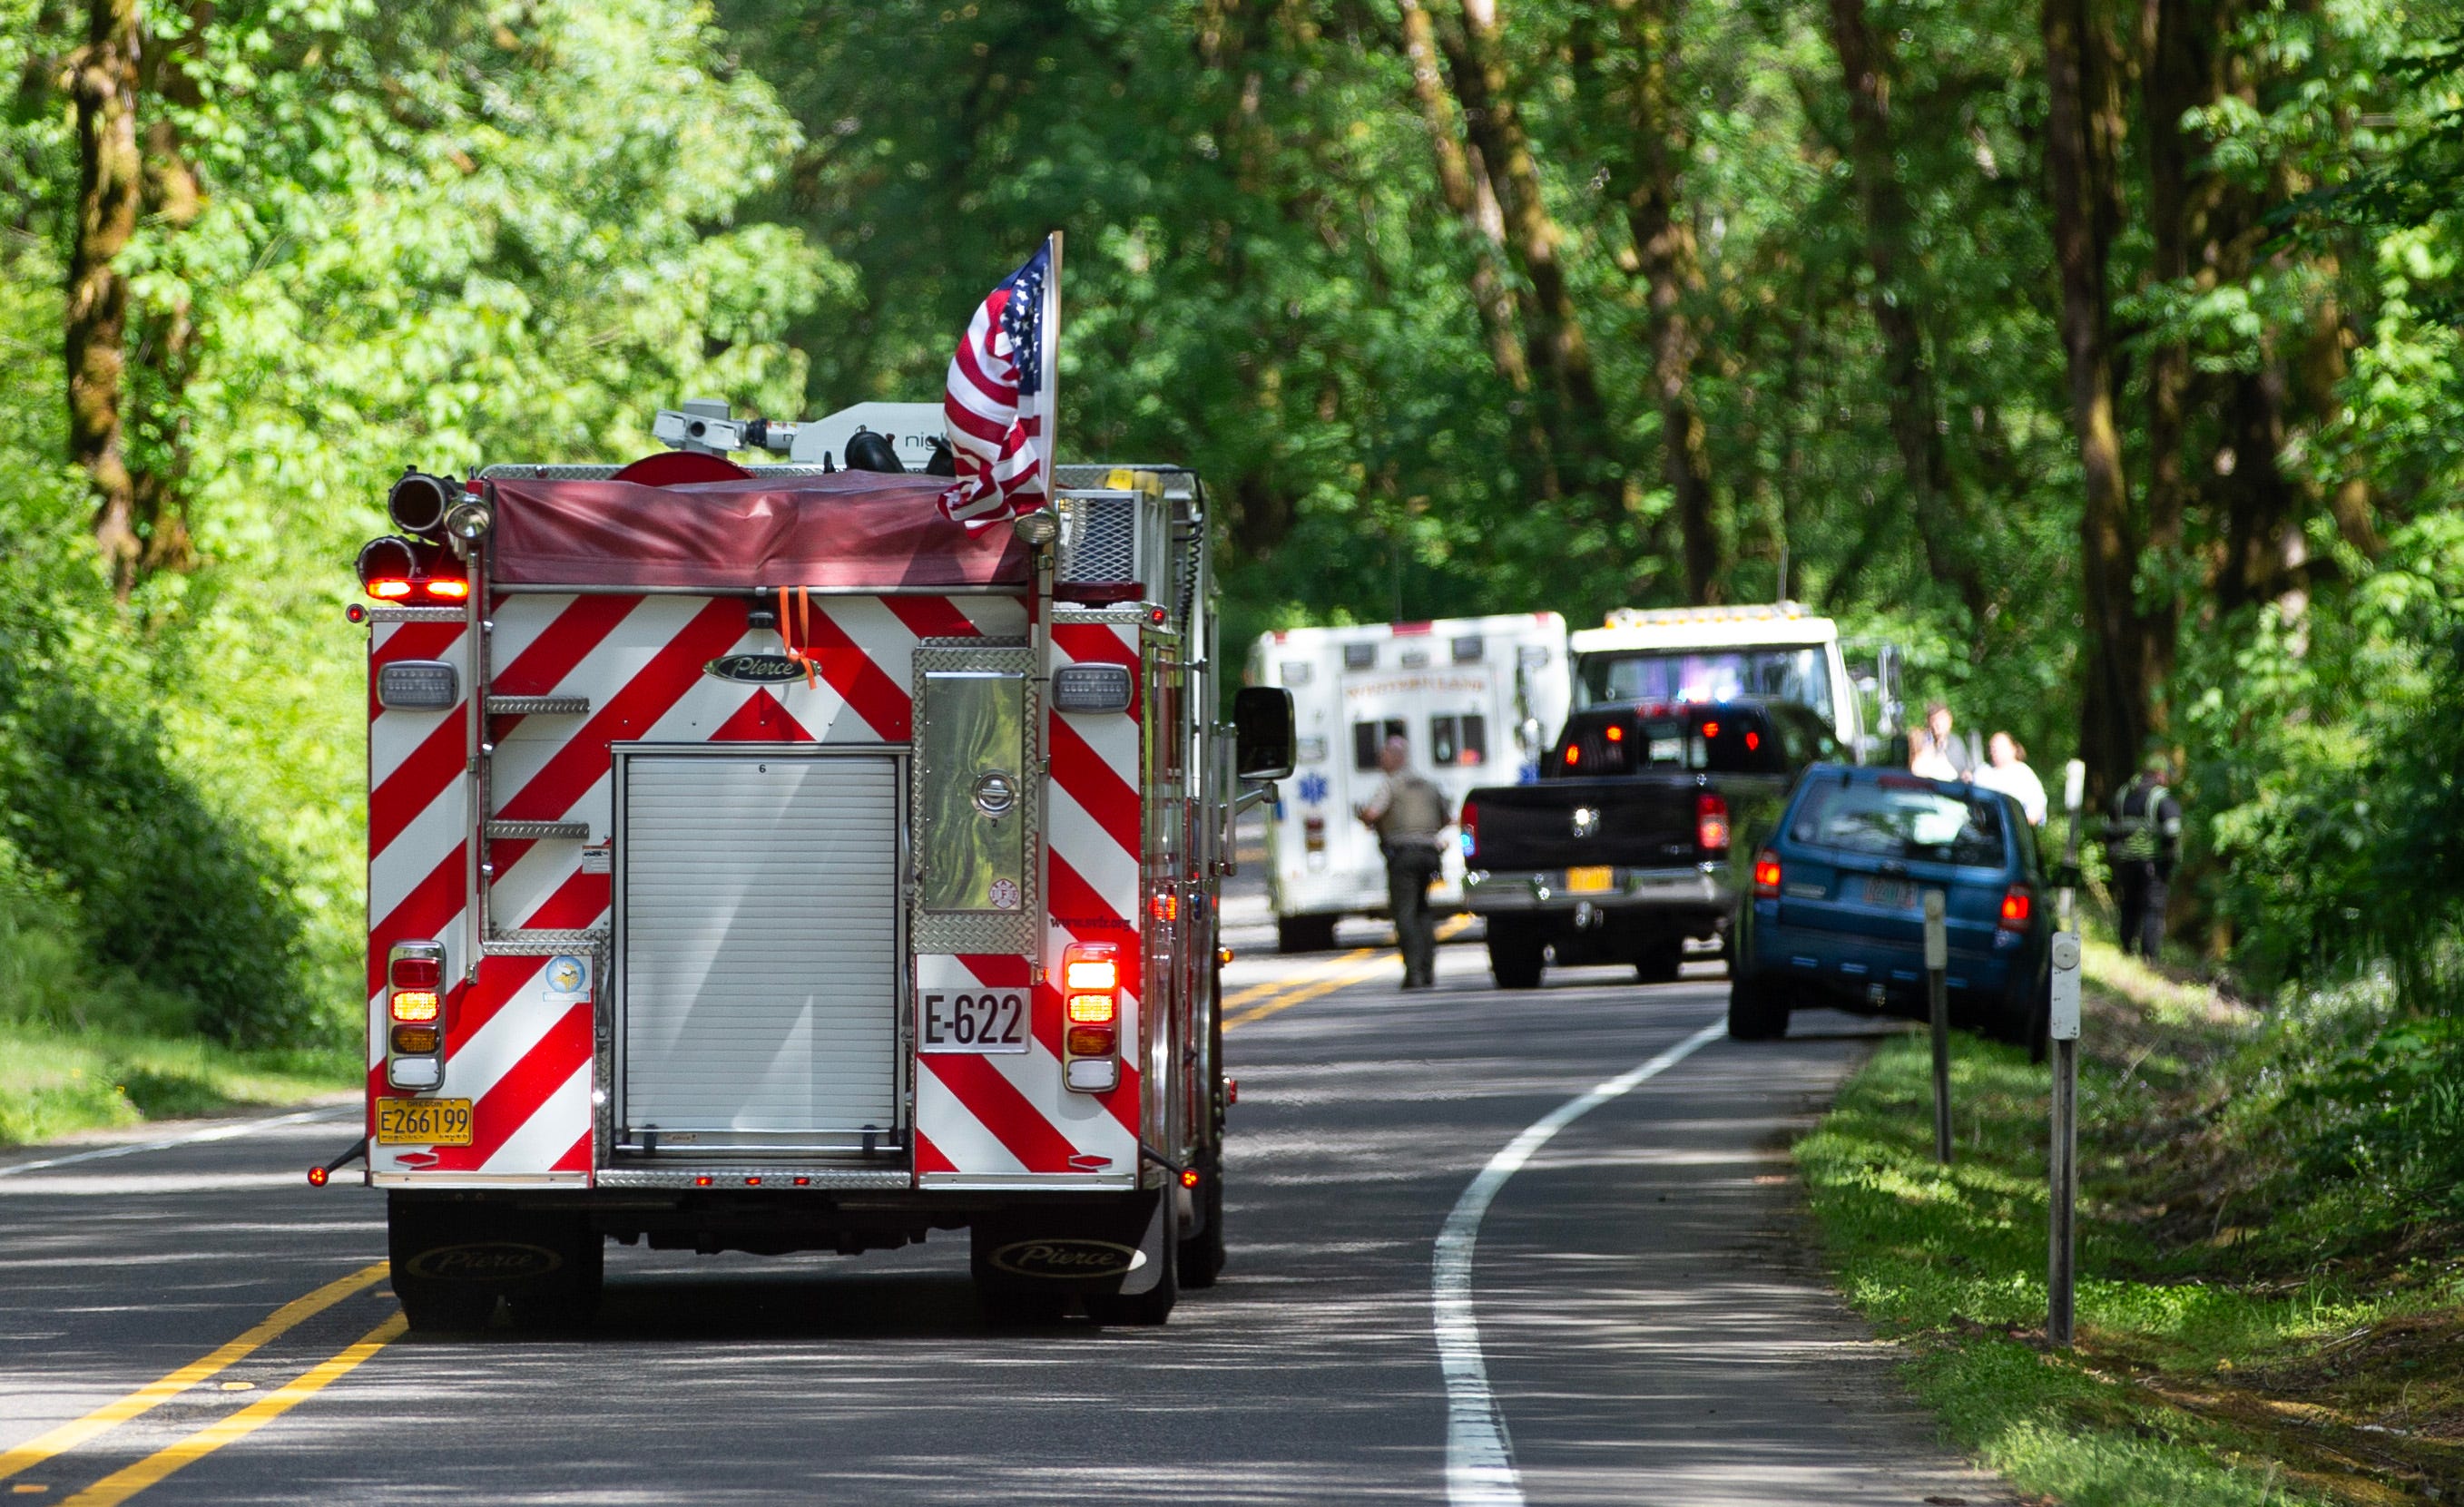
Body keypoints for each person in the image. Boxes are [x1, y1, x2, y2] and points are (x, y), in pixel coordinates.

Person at [1356, 735, 1450, 989]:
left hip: (1404, 856)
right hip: (1430, 854)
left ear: (1396, 757)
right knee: (1423, 910)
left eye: (1384, 755)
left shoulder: (1391, 785)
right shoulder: (1429, 784)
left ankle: (1414, 971)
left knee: (1405, 913)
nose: (1380, 760)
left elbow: (1372, 814)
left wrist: (1363, 816)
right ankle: (1428, 969)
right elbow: (1447, 817)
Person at [2106, 754, 2182, 959]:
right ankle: (2149, 955)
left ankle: (2126, 948)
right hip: (2153, 864)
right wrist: (2170, 852)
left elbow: (2109, 828)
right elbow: (2172, 830)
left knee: (2128, 904)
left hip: (2126, 862)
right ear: (2159, 774)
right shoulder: (2160, 798)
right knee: (2153, 908)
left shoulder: (2122, 794)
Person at [1972, 731, 2048, 826]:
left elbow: (2037, 805)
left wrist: (2021, 825)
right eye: (1992, 747)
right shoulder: (1982, 771)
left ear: (2013, 749)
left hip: (2010, 830)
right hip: (1982, 830)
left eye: (2000, 747)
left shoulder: (2024, 773)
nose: (1995, 751)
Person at [1924, 701, 1979, 779]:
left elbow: (1965, 769)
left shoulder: (1956, 743)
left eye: (1942, 719)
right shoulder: (1924, 743)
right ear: (1929, 723)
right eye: (1934, 720)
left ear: (1950, 721)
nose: (1938, 724)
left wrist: (1966, 774)